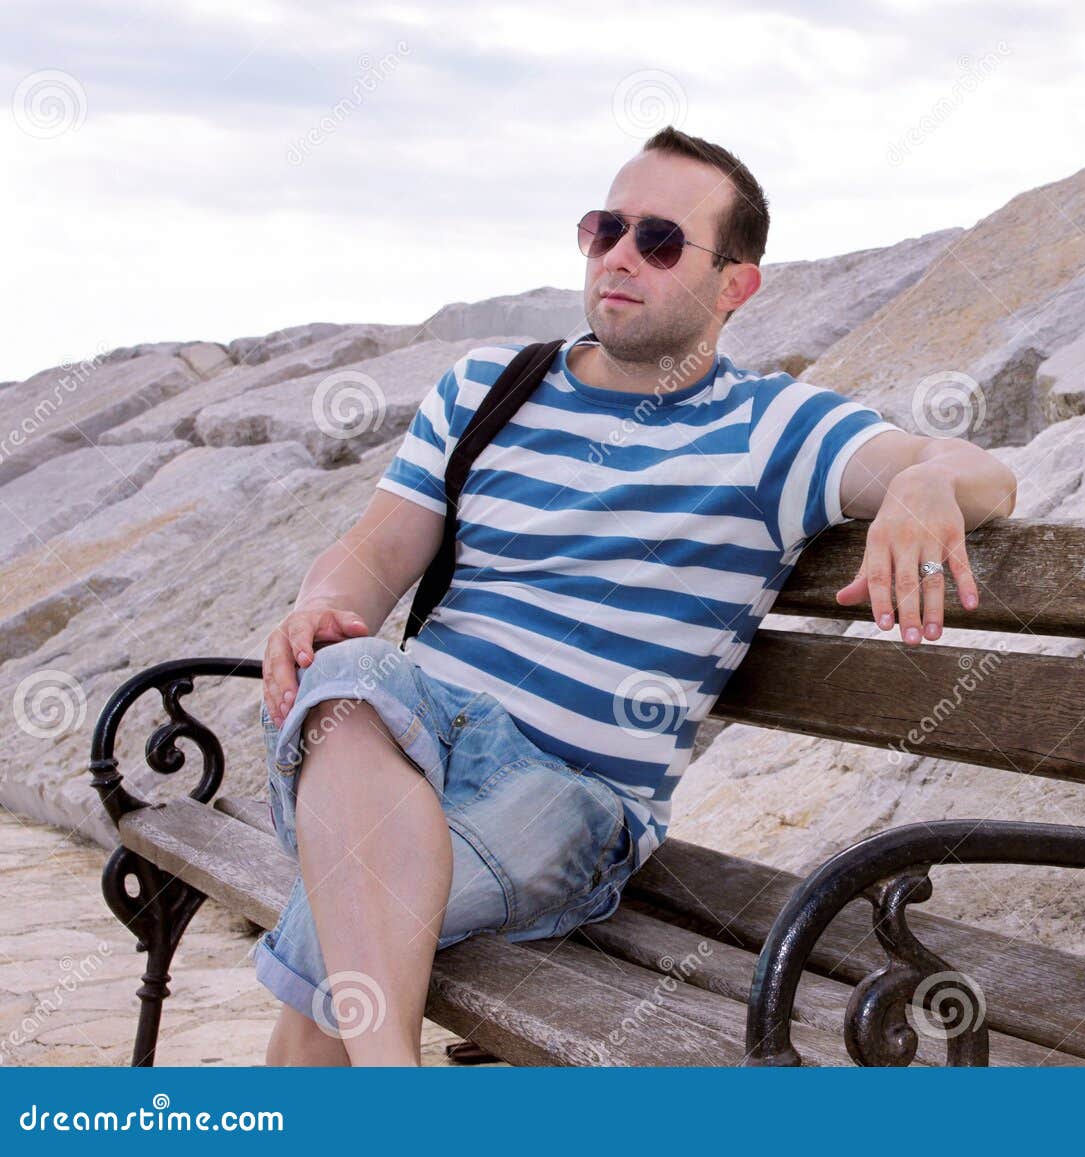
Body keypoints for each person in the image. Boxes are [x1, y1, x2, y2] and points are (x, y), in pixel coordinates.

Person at [253, 125, 1018, 1065]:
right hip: (405, 738)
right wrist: (317, 607)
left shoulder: (770, 428)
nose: (619, 255)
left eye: (660, 240)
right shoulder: (487, 387)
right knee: (355, 667)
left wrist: (923, 486)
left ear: (736, 284)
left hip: (570, 796)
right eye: (604, 228)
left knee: (353, 889)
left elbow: (977, 471)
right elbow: (372, 555)